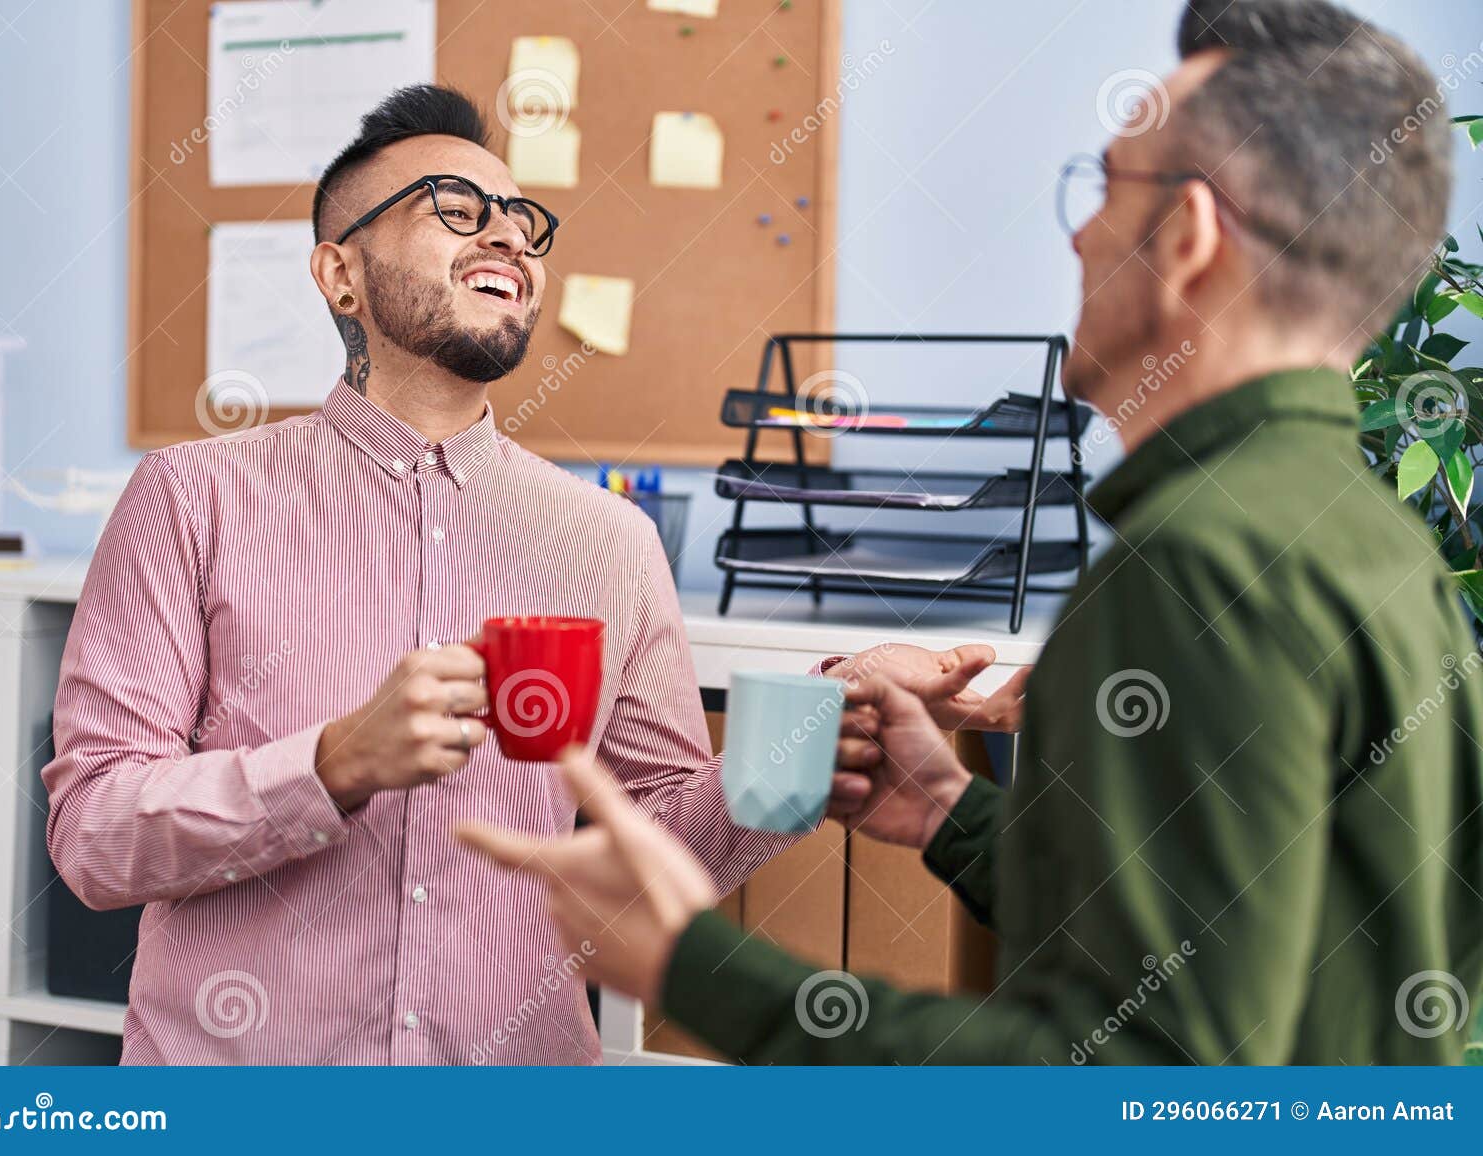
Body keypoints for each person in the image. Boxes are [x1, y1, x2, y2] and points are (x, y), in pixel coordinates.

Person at [458, 0, 1483, 1064]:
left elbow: (1140, 1082)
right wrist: (955, 813)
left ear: (1186, 240)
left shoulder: (1195, 565)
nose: (1080, 231)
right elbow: (1255, 965)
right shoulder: (1379, 548)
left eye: (1105, 186)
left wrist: (691, 965)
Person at [42, 84, 1015, 1064]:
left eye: (523, 222)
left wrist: (825, 718)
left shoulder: (608, 539)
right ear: (340, 275)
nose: (507, 238)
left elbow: (663, 847)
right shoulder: (192, 499)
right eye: (454, 210)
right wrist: (331, 763)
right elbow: (93, 833)